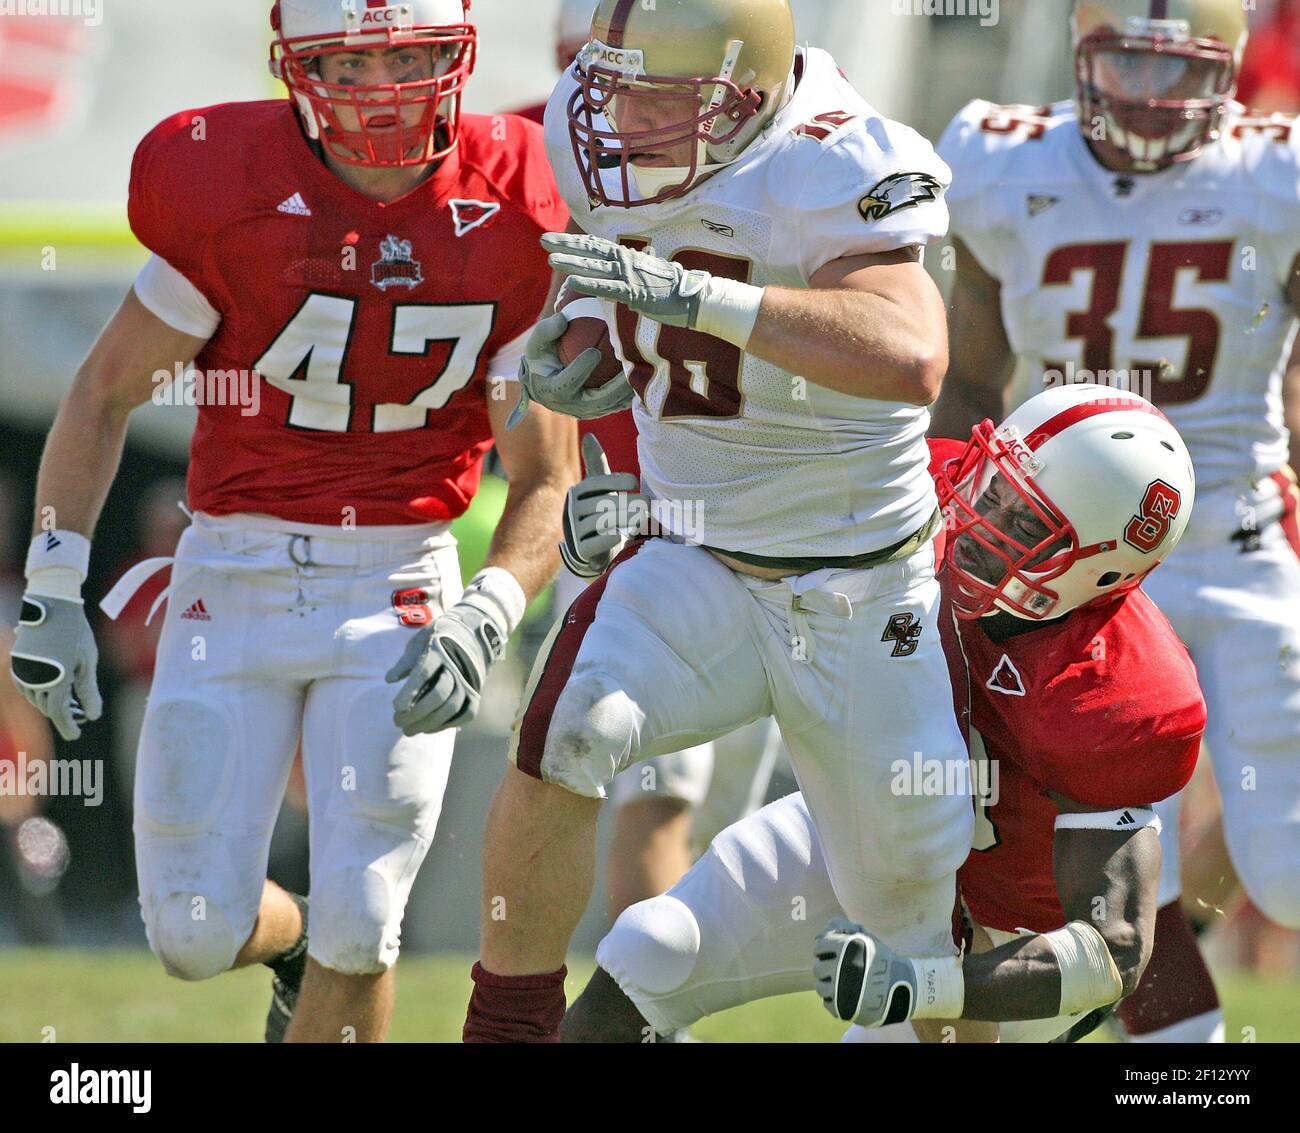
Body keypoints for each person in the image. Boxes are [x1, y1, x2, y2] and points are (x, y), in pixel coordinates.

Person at [8, 0, 575, 1043]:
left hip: (400, 579)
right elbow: (101, 393)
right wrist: (52, 580)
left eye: (411, 55)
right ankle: (293, 942)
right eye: (355, 61)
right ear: (298, 72)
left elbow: (547, 475)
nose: (388, 87)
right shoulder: (226, 187)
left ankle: (336, 955)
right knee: (190, 928)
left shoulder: (518, 201)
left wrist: (491, 607)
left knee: (370, 915)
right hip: (235, 571)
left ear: (457, 58)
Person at [461, 0, 971, 1042]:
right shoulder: (591, 122)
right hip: (694, 547)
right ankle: (506, 1028)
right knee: (567, 729)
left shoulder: (834, 156)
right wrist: (594, 346)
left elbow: (909, 352)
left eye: (657, 95)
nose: (621, 120)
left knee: (912, 904)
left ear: (745, 96)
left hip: (858, 580)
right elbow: (628, 291)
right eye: (614, 88)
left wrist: (695, 299)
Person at [563, 384, 1206, 1044]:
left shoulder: (1121, 693)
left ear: (1103, 574)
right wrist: (642, 527)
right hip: (863, 824)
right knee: (651, 954)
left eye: (1025, 524)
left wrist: (928, 983)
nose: (984, 520)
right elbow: (768, 524)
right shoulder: (923, 481)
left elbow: (1110, 955)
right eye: (996, 486)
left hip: (1004, 943)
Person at [930, 0, 1300, 1042]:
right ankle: (1191, 1064)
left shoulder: (1276, 174)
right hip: (1069, 564)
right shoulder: (1004, 159)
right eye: (1124, 61)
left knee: (1284, 862)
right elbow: (968, 376)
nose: (1146, 95)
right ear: (1080, 56)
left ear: (1228, 73)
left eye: (1175, 69)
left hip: (1235, 541)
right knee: (1129, 865)